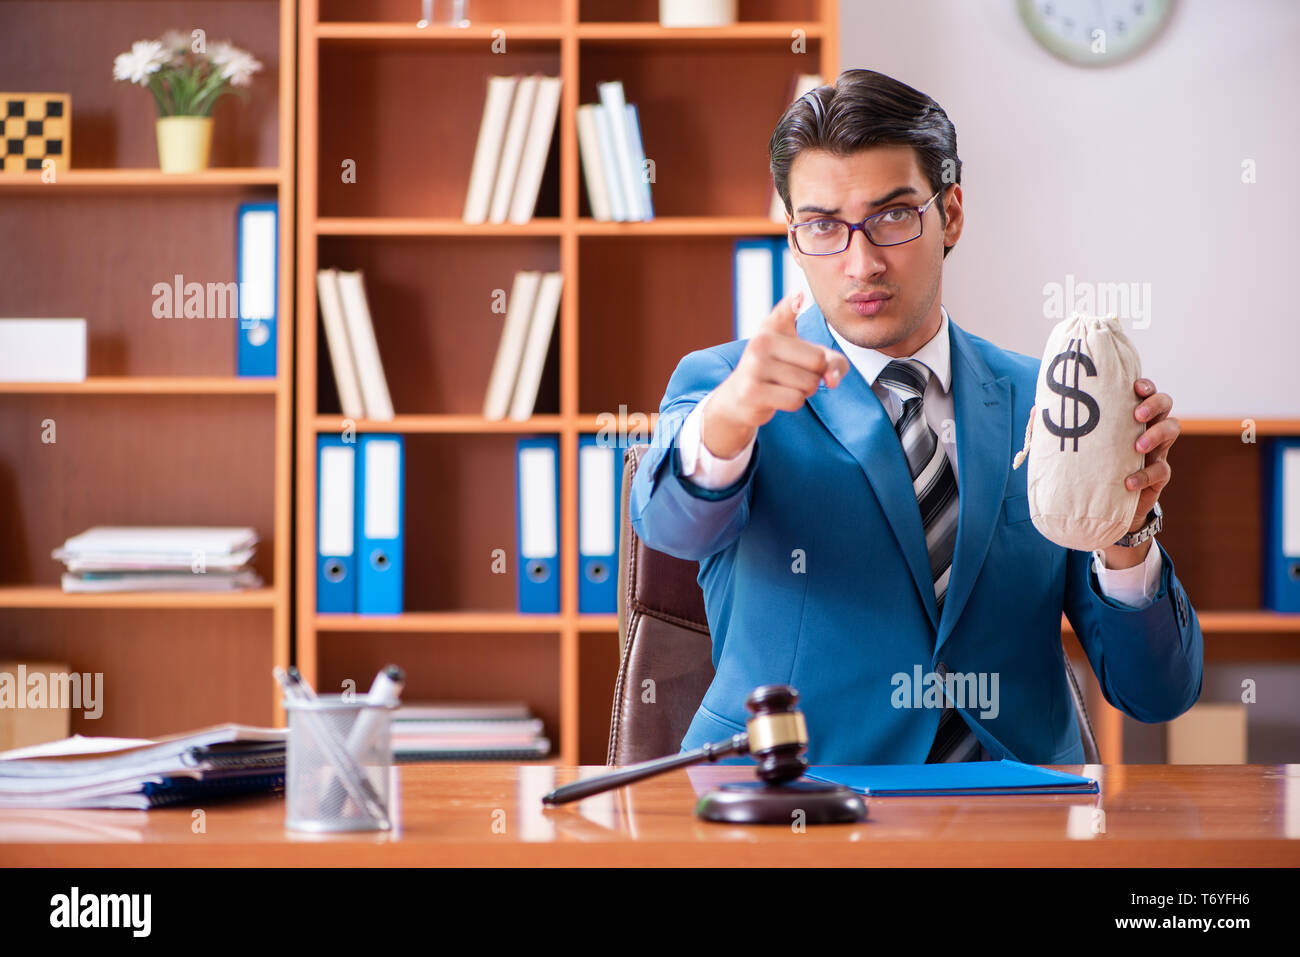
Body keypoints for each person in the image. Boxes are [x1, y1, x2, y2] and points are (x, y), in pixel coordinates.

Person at [629, 69, 1202, 764]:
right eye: (822, 227)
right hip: (800, 804)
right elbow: (671, 527)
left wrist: (1127, 532)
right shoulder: (728, 388)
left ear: (950, 213)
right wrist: (727, 420)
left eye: (893, 216)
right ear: (792, 235)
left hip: (1013, 814)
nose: (860, 262)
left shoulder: (1049, 399)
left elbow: (1157, 692)